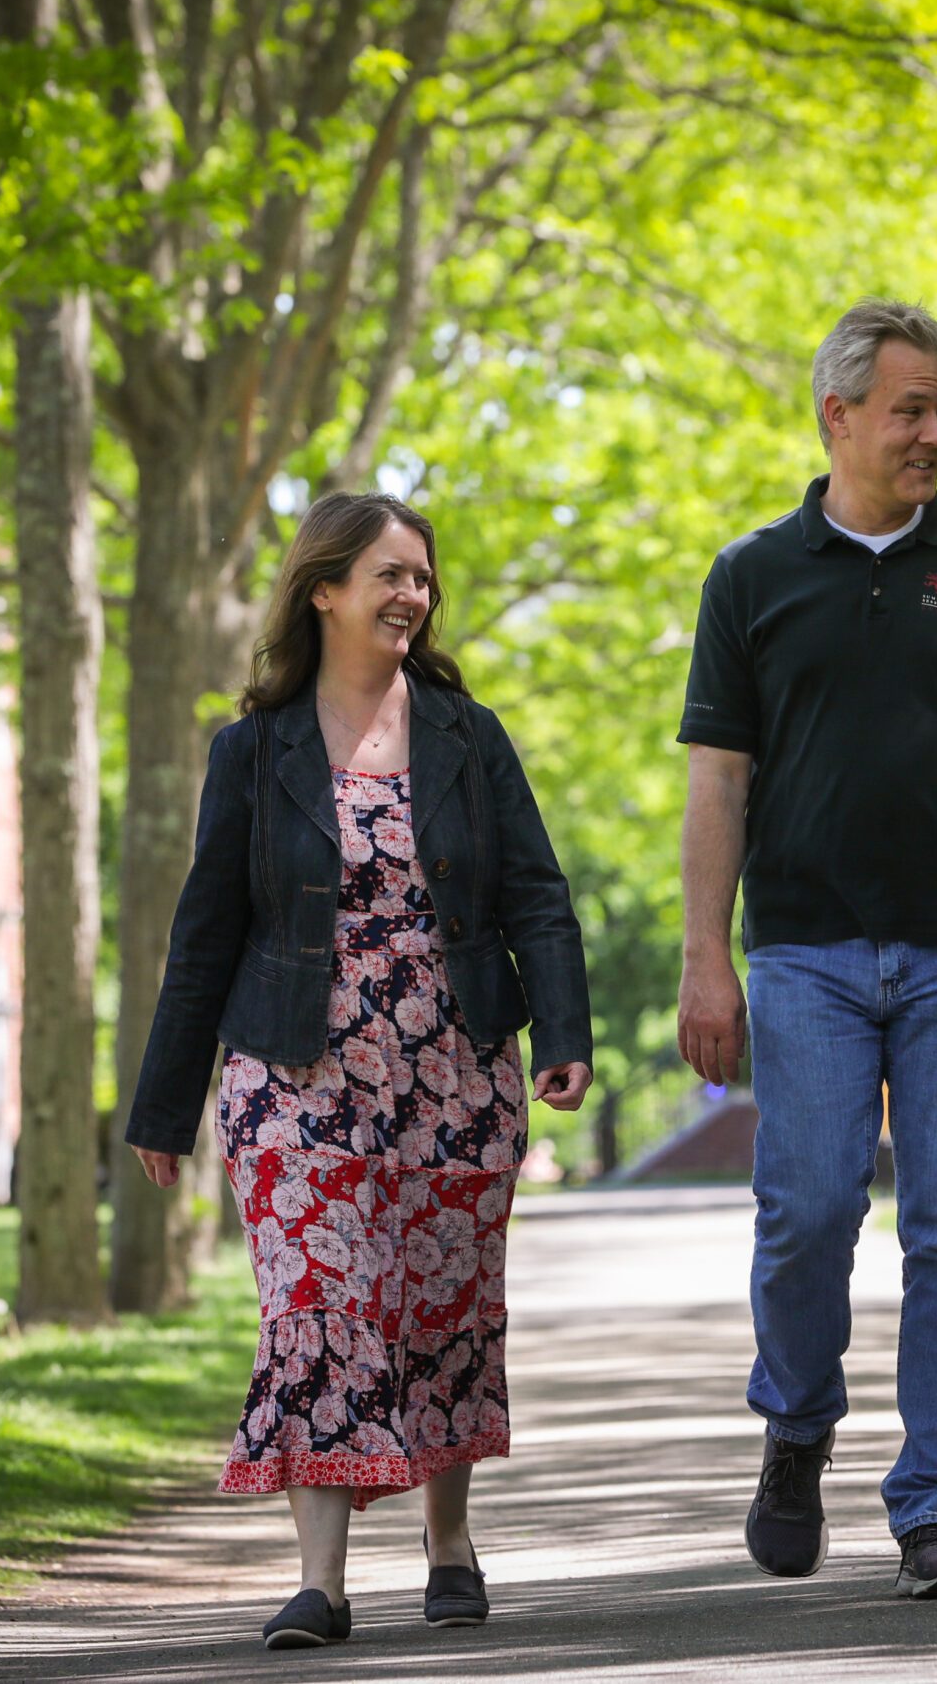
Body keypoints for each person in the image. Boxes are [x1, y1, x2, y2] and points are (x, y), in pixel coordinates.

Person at [676, 298, 937, 1601]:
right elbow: (717, 783)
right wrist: (708, 954)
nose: (934, 432)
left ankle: (935, 1508)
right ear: (838, 413)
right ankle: (798, 1422)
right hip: (802, 948)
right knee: (806, 1211)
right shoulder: (751, 575)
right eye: (912, 408)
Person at [124, 491, 593, 1650]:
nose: (411, 594)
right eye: (388, 573)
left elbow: (535, 890)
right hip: (293, 1069)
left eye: (422, 578)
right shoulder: (254, 750)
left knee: (442, 1305)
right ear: (322, 589)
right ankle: (320, 1583)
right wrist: (165, 1102)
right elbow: (205, 931)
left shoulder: (465, 736)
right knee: (316, 1309)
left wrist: (565, 1034)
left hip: (453, 1062)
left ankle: (448, 1545)